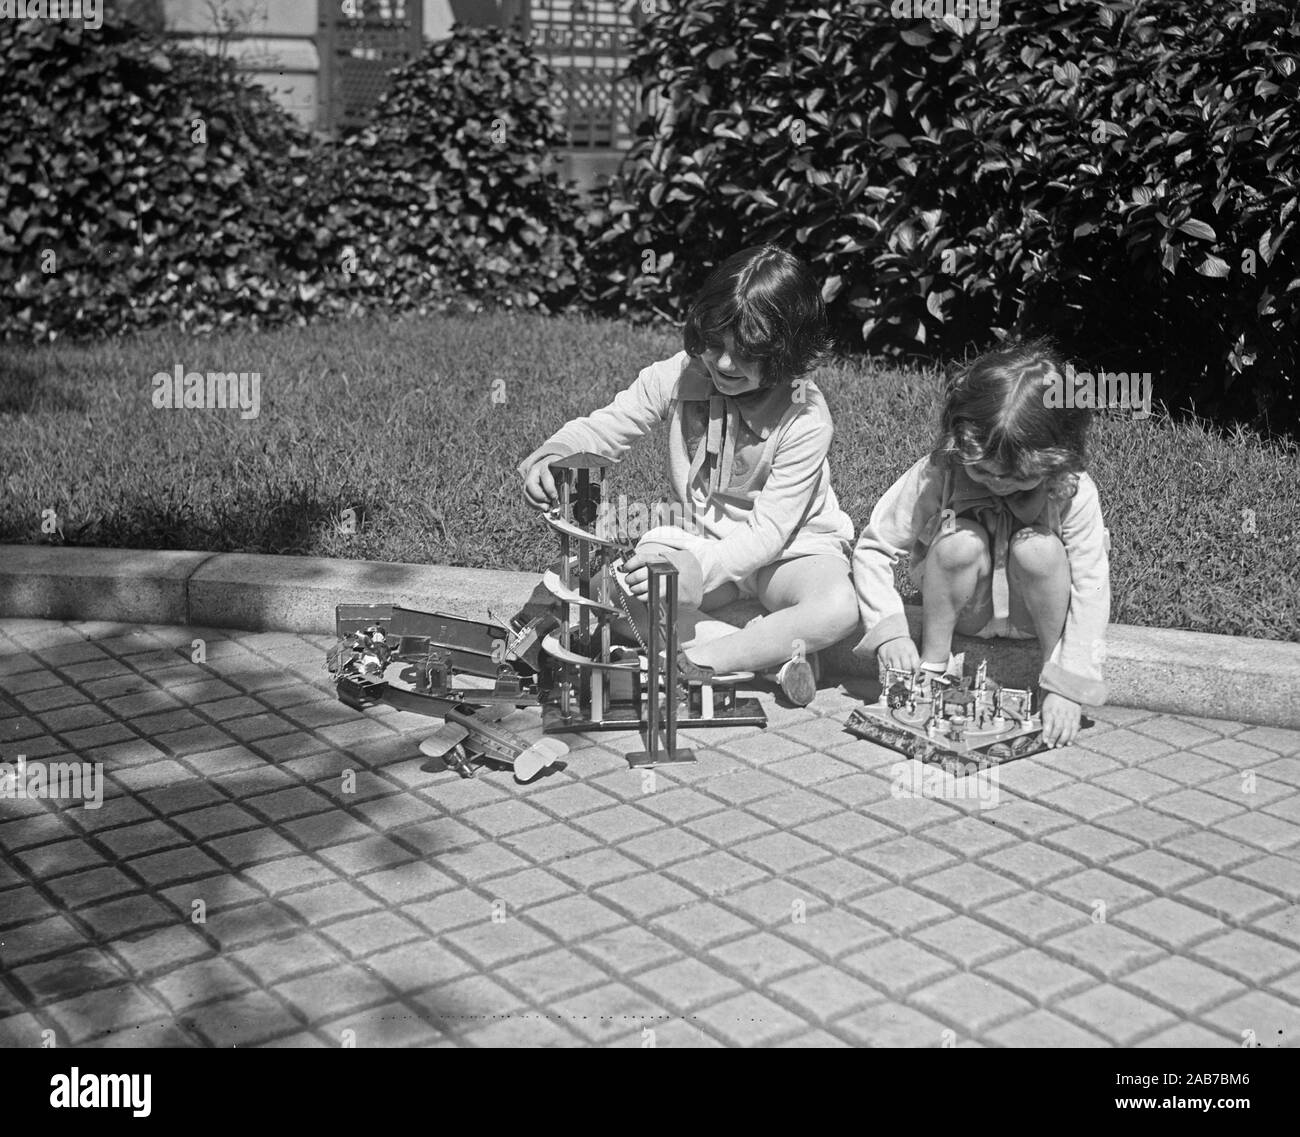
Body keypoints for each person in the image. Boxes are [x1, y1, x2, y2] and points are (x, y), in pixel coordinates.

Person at [519, 245, 859, 706]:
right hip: (697, 538)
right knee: (613, 592)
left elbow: (769, 533)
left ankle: (703, 660)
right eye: (714, 344)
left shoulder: (805, 415)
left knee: (837, 608)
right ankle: (769, 654)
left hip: (792, 553)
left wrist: (701, 571)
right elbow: (610, 425)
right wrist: (556, 451)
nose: (722, 364)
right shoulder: (680, 376)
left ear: (788, 351)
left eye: (746, 354)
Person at [852, 338, 1110, 746]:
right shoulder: (942, 472)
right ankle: (933, 665)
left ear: (1058, 456)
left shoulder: (1072, 490)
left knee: (1038, 549)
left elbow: (1091, 587)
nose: (1001, 487)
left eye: (1020, 479)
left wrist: (1068, 683)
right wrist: (890, 631)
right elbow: (874, 547)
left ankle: (1049, 675)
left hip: (1032, 619)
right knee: (959, 542)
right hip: (967, 611)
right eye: (986, 473)